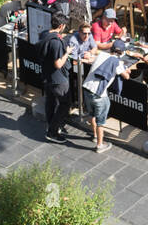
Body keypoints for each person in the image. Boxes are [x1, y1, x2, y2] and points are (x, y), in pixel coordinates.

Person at [81, 40, 140, 154]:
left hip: (86, 89)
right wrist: (126, 69)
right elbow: (126, 77)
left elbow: (93, 60)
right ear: (121, 52)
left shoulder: (101, 54)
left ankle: (94, 136)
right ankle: (100, 145)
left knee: (92, 114)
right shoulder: (118, 63)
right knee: (101, 122)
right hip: (99, 95)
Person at [40, 11, 76, 142]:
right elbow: (58, 63)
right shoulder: (56, 43)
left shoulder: (44, 34)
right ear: (61, 26)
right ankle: (53, 132)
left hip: (47, 75)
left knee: (50, 101)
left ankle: (50, 124)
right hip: (58, 79)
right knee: (65, 104)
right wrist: (67, 52)